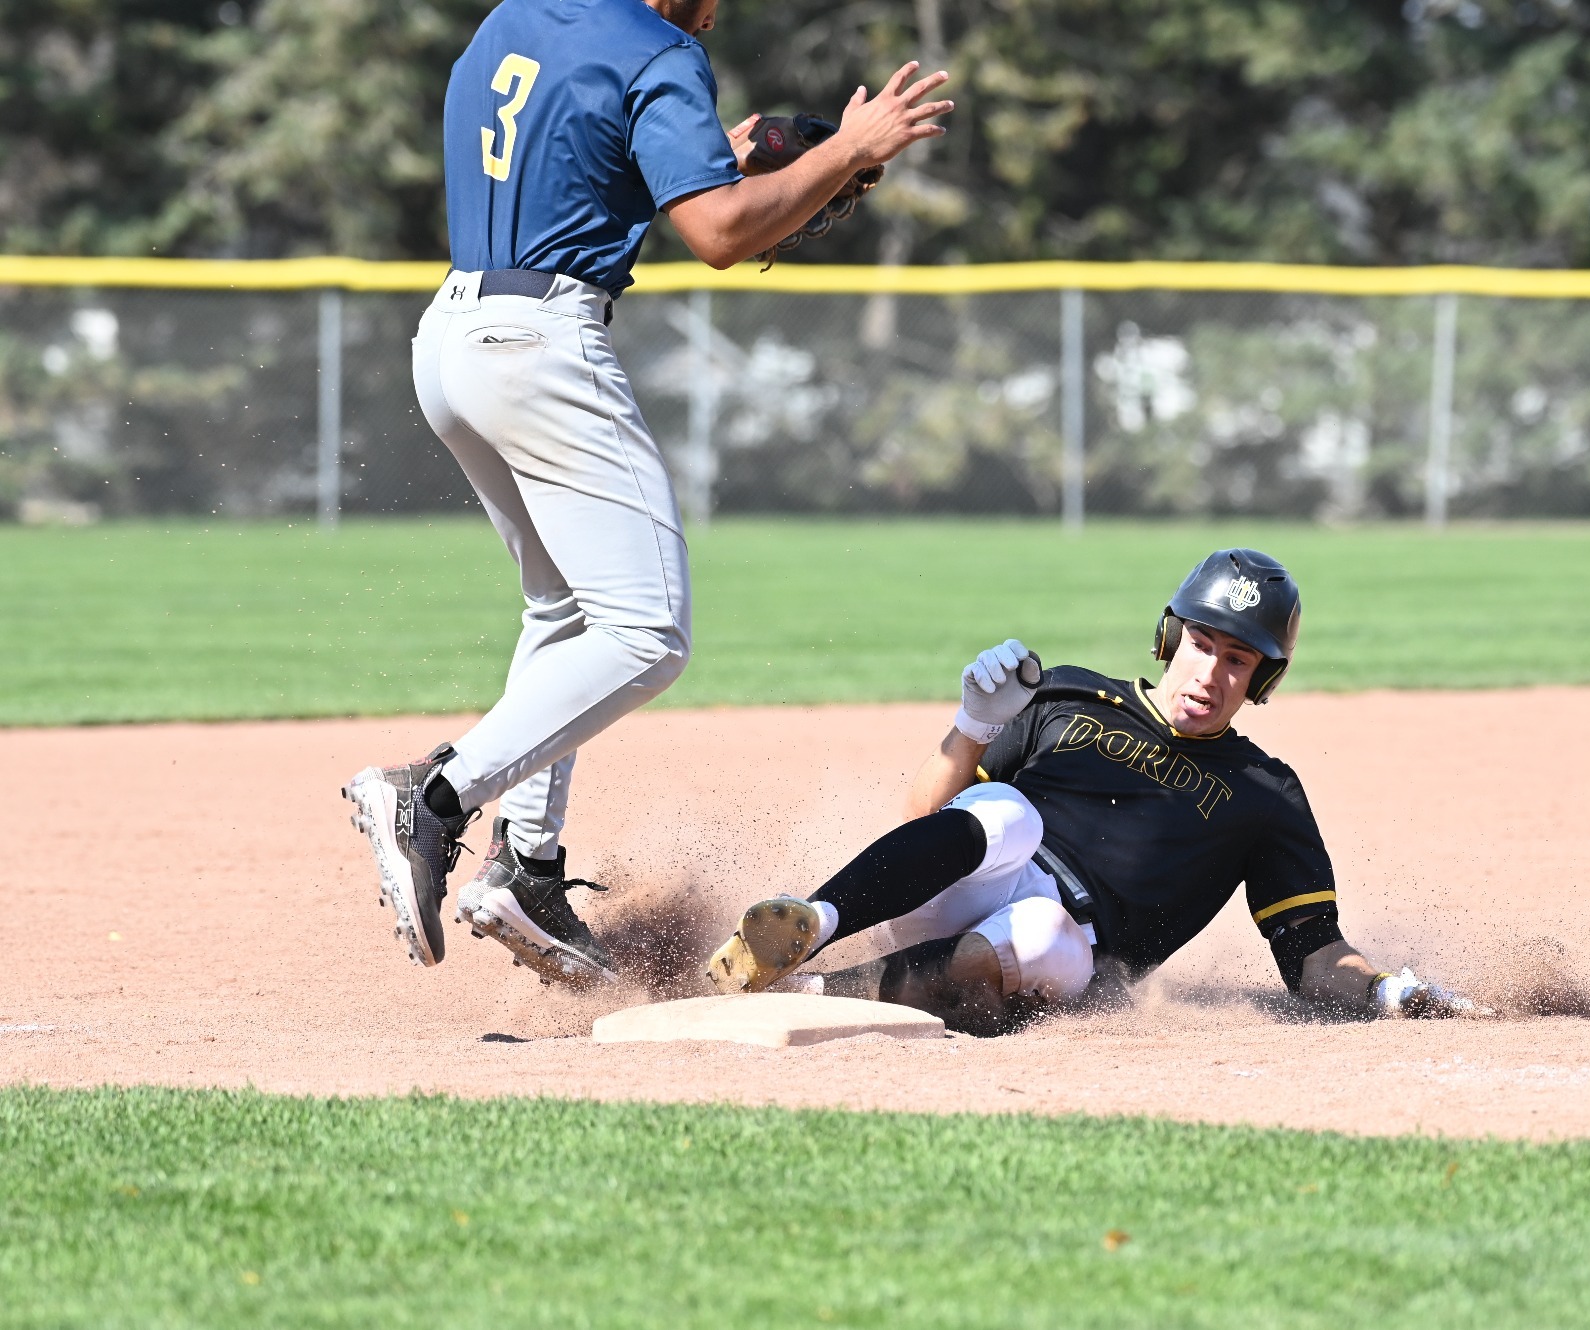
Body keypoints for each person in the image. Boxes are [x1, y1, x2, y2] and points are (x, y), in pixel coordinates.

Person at [343, 0, 952, 987]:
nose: (713, 15)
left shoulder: (517, 17)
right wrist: (849, 151)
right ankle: (435, 797)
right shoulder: (657, 51)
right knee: (647, 632)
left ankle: (527, 869)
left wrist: (732, 153)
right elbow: (718, 231)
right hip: (539, 345)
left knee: (565, 608)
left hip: (452, 336)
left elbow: (574, 158)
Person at [706, 549, 1487, 1032]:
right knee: (1009, 812)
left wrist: (1386, 991)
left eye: (1237, 661)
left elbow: (1310, 949)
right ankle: (807, 926)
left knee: (1044, 929)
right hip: (963, 879)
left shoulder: (1265, 792)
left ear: (1262, 679)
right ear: (1169, 636)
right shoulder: (1068, 695)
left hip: (1064, 951)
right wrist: (972, 725)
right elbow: (923, 819)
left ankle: (815, 991)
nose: (1210, 673)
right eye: (1202, 644)